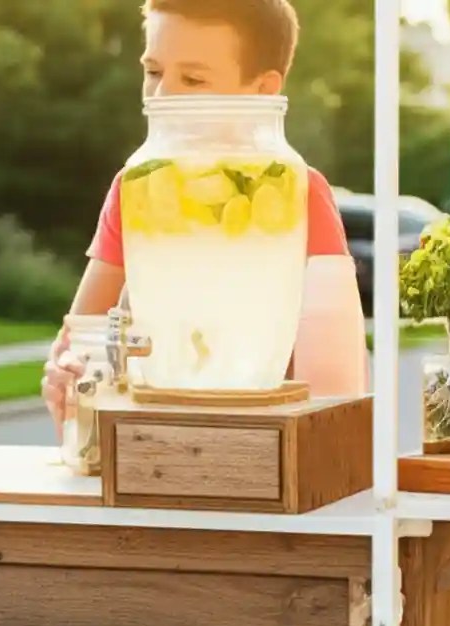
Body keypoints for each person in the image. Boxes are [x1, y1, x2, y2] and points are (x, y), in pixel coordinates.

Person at [41, 0, 368, 427]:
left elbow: (335, 398)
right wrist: (67, 381)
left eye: (192, 78)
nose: (161, 95)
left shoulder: (296, 190)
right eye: (153, 72)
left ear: (265, 91)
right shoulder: (136, 185)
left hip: (262, 451)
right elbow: (81, 340)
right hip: (156, 448)